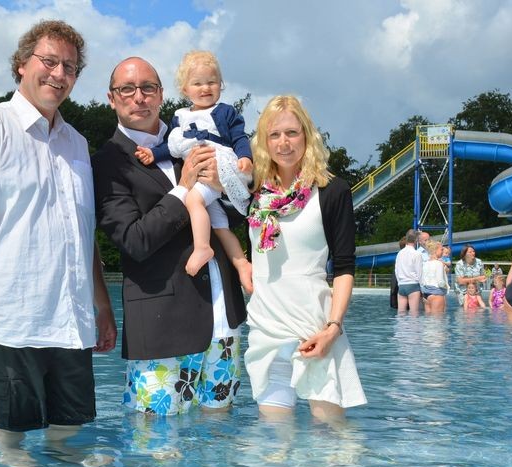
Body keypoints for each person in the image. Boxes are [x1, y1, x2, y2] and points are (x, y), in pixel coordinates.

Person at [0, 20, 116, 467]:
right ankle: (10, 459)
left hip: (70, 314)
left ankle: (63, 452)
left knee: (70, 420)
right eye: (49, 61)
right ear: (22, 64)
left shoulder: (77, 144)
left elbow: (83, 233)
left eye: (70, 68)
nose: (59, 74)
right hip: (8, 315)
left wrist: (101, 305)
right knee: (9, 427)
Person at [92, 57, 247, 416]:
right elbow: (134, 241)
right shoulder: (105, 162)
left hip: (223, 318)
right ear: (111, 98)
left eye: (148, 88)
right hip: (161, 326)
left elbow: (239, 214)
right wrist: (183, 188)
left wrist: (227, 187)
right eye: (127, 89)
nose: (139, 97)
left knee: (219, 436)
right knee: (153, 443)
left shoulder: (193, 135)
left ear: (161, 94)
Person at [244, 95, 366, 422]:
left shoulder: (332, 190)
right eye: (274, 134)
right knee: (272, 441)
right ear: (264, 141)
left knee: (330, 439)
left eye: (291, 133)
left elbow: (344, 267)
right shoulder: (253, 194)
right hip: (266, 327)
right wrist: (240, 263)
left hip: (315, 328)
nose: (283, 143)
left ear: (307, 136)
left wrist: (333, 328)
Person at [136, 51, 253, 292]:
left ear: (220, 84)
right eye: (198, 83)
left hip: (219, 165)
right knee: (220, 226)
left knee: (192, 199)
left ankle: (202, 247)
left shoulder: (225, 112)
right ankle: (242, 264)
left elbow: (240, 137)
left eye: (211, 82)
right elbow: (172, 147)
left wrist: (245, 157)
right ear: (185, 89)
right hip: (201, 174)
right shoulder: (180, 117)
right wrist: (154, 154)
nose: (205, 88)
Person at [394, 229, 424, 313]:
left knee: (401, 314)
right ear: (416, 240)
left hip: (402, 285)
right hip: (413, 285)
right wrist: (422, 288)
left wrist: (400, 283)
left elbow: (396, 270)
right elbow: (419, 272)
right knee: (414, 314)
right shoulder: (417, 254)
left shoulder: (400, 253)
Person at [420, 240, 449, 313]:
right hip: (437, 294)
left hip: (426, 294)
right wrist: (447, 287)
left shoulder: (425, 263)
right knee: (438, 319)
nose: (443, 251)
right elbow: (440, 282)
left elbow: (422, 280)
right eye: (441, 249)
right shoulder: (439, 263)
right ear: (435, 251)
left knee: (428, 319)